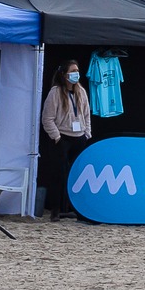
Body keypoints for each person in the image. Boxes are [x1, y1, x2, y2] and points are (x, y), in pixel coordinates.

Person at [40, 61, 92, 221]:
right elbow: (47, 118)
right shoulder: (55, 92)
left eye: (77, 70)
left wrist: (87, 133)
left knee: (76, 174)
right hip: (62, 137)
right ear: (64, 74)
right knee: (58, 175)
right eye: (73, 71)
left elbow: (86, 114)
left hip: (79, 137)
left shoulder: (81, 91)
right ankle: (55, 209)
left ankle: (73, 208)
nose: (76, 73)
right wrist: (57, 137)